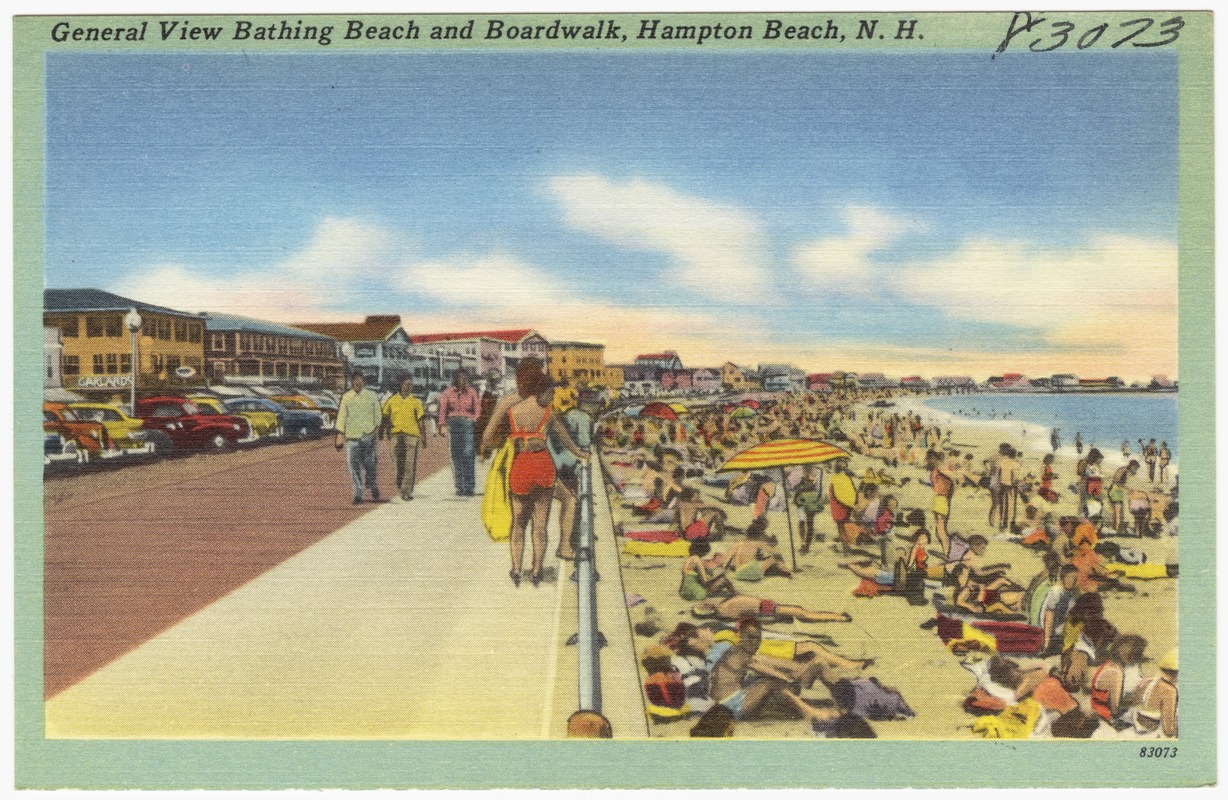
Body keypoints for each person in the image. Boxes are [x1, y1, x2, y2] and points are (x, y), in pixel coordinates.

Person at [481, 359, 586, 587]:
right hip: (543, 466)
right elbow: (567, 440)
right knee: (541, 525)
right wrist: (581, 453)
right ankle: (537, 570)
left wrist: (508, 442)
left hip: (520, 465)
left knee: (518, 523)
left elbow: (487, 438)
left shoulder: (509, 405)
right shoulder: (546, 409)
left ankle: (516, 570)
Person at [547, 386, 592, 560]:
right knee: (570, 500)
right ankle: (565, 546)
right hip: (558, 467)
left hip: (538, 465)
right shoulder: (579, 417)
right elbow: (581, 445)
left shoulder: (546, 415)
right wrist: (579, 458)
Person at [335, 372, 383, 504]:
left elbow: (378, 415)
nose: (358, 382)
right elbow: (342, 416)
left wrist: (375, 428)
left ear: (364, 381)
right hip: (352, 438)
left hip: (368, 436)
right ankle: (358, 493)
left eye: (360, 380)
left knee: (370, 464)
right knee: (354, 466)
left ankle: (372, 484)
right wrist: (339, 434)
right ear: (351, 382)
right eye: (355, 380)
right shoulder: (346, 397)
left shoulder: (371, 395)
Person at [381, 375, 426, 501]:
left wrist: (424, 438)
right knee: (398, 464)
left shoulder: (416, 402)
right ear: (400, 385)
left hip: (412, 436)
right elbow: (385, 417)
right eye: (406, 384)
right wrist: (382, 431)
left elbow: (421, 421)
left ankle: (406, 491)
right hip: (396, 436)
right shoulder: (391, 401)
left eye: (410, 385)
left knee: (409, 465)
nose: (408, 387)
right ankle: (400, 486)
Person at [437, 369, 481, 496]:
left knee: (468, 453)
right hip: (453, 424)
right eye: (460, 378)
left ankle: (469, 486)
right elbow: (442, 411)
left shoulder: (472, 392)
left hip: (467, 424)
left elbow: (477, 409)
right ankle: (460, 487)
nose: (463, 380)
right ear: (455, 379)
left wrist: (474, 419)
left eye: (465, 378)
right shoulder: (447, 393)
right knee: (456, 455)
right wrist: (442, 425)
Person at [1090, 634, 1149, 728]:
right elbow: (1114, 710)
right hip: (1105, 719)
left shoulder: (1108, 664)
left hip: (1098, 711)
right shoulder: (1116, 673)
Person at [691, 594, 851, 623]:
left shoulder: (722, 608)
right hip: (766, 607)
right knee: (803, 613)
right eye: (703, 606)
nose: (704, 602)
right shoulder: (724, 609)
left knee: (802, 613)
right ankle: (840, 617)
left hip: (764, 607)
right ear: (708, 609)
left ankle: (838, 617)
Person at [1132, 649, 1178, 738]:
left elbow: (1136, 704)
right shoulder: (1169, 690)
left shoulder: (1146, 681)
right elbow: (1168, 731)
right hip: (1151, 733)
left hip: (1136, 726)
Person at [926, 449, 955, 554]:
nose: (928, 460)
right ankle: (947, 551)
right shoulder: (936, 469)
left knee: (941, 529)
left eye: (930, 458)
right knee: (939, 530)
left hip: (941, 498)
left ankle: (947, 552)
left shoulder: (940, 468)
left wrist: (951, 492)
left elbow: (954, 478)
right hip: (938, 498)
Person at [1107, 460, 1141, 535]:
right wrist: (1128, 489)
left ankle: (1118, 528)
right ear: (1132, 466)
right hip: (1115, 491)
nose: (1136, 471)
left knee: (1119, 512)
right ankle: (1117, 528)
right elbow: (1118, 482)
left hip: (1119, 491)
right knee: (1118, 511)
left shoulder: (1126, 471)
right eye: (1135, 468)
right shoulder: (1123, 470)